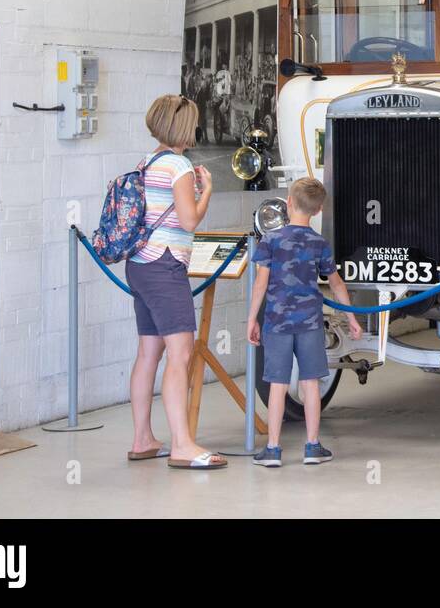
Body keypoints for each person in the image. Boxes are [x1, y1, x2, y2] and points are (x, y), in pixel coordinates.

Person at [125, 95, 226, 469]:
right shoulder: (179, 166)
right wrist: (207, 192)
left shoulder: (146, 162)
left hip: (139, 265)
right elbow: (188, 221)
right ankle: (183, 445)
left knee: (148, 352)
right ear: (185, 127)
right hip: (165, 265)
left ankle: (143, 438)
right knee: (181, 353)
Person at [247, 178, 361, 467]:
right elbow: (336, 284)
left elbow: (260, 284)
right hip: (310, 323)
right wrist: (351, 318)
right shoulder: (319, 243)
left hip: (277, 324)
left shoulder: (270, 241)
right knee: (311, 384)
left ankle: (272, 449)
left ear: (288, 203)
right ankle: (312, 446)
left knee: (278, 385)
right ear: (318, 209)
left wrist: (251, 319)